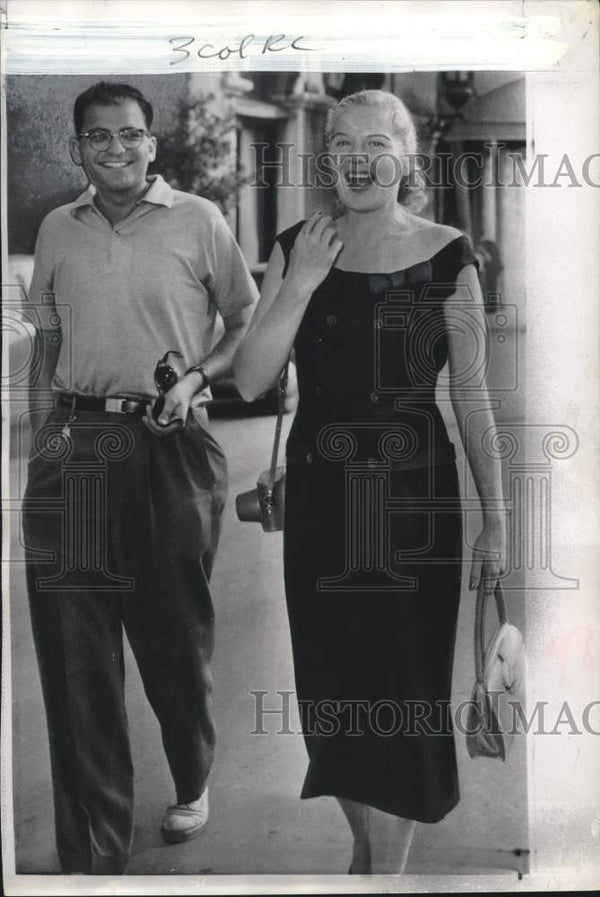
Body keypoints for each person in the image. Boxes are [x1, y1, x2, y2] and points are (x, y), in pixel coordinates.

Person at [233, 89, 506, 874]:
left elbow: (474, 396)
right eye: (342, 140)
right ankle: (374, 856)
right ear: (328, 159)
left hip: (415, 507)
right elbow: (252, 378)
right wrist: (301, 280)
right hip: (323, 499)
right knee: (334, 694)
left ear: (407, 157)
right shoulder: (298, 246)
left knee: (404, 693)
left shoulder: (450, 253)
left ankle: (381, 869)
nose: (359, 154)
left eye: (377, 140)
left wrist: (498, 521)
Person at [22, 81, 257, 874]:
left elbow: (244, 319)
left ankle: (192, 775)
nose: (115, 150)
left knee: (172, 634)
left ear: (153, 144)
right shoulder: (57, 228)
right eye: (98, 138)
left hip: (171, 446)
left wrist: (197, 379)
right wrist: (42, 447)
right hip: (77, 444)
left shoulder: (200, 221)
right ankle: (96, 843)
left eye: (129, 135)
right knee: (76, 649)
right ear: (79, 148)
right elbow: (46, 348)